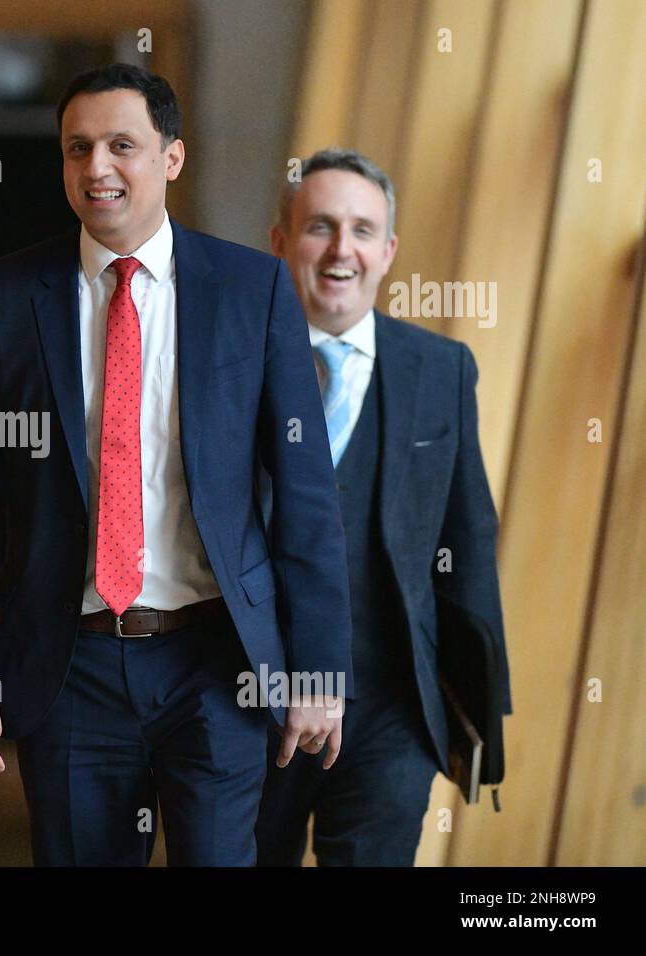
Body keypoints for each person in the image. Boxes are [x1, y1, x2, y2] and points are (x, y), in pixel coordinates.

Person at [0, 64, 352, 866]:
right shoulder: (4, 299)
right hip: (68, 666)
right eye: (78, 149)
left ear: (172, 158)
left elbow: (306, 495)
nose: (97, 169)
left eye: (122, 145)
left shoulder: (250, 290)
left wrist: (319, 668)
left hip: (218, 667)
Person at [255, 148, 511, 865]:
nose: (343, 250)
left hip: (392, 710)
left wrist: (482, 705)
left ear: (389, 250)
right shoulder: (229, 365)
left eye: (364, 230)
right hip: (249, 703)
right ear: (280, 242)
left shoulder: (441, 369)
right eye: (321, 227)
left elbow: (469, 534)